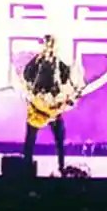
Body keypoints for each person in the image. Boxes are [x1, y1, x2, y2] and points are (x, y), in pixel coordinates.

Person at [20, 35, 76, 175]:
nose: (49, 48)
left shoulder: (59, 64)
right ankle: (26, 167)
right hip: (37, 108)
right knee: (30, 140)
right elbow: (26, 76)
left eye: (52, 45)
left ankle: (61, 167)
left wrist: (63, 97)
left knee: (59, 140)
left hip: (52, 109)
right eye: (47, 44)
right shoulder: (36, 62)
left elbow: (66, 81)